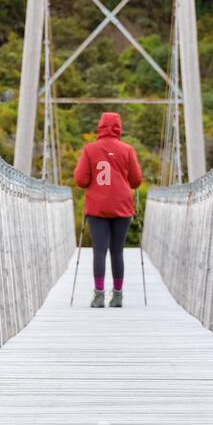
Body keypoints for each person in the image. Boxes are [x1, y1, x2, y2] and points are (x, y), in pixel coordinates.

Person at [73, 111, 143, 308]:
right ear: (119, 127)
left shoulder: (90, 150)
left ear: (100, 126)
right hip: (122, 206)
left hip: (97, 207)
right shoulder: (127, 150)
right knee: (117, 251)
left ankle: (98, 295)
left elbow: (80, 180)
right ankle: (118, 296)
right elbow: (136, 180)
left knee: (99, 250)